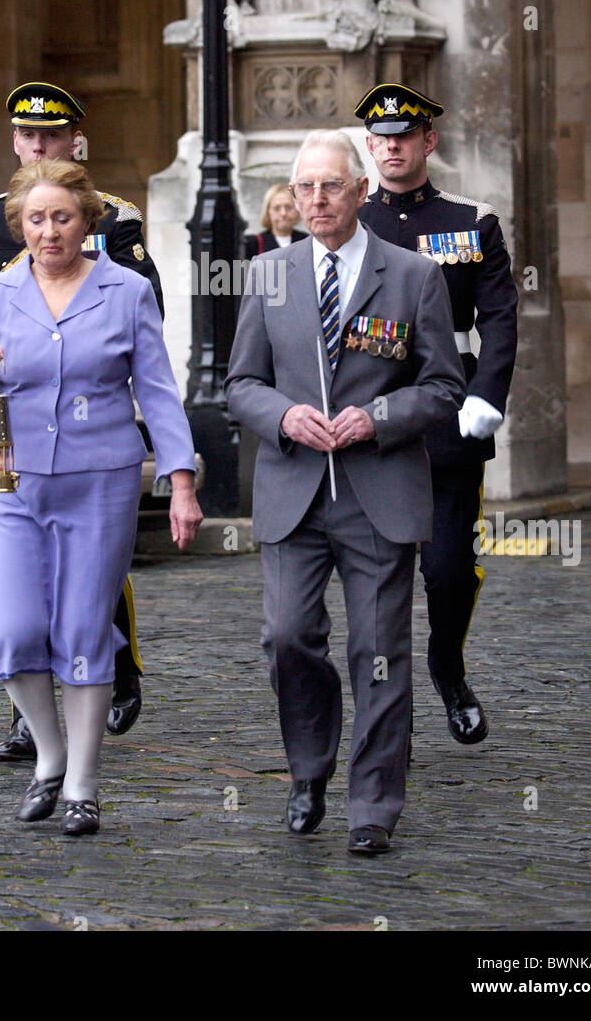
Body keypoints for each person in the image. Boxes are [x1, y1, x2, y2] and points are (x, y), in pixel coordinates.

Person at [0, 159, 202, 834]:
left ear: (86, 222)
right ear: (20, 227)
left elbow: (156, 389)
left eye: (61, 217)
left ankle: (84, 784)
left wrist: (179, 482)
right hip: (13, 481)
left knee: (85, 629)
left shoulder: (125, 291)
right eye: (35, 219)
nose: (48, 231)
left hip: (101, 482)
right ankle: (49, 759)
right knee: (18, 630)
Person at [225, 131, 464, 854]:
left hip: (378, 493)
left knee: (378, 650)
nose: (317, 199)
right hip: (293, 489)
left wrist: (378, 417)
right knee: (288, 636)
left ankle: (372, 806)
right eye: (304, 188)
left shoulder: (412, 275)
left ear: (360, 191)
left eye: (331, 185)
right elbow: (239, 385)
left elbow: (443, 385)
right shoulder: (269, 273)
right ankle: (308, 772)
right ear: (291, 198)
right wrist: (283, 415)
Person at [0, 82, 159, 759]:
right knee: (18, 587)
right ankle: (28, 722)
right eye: (27, 135)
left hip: (88, 420)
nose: (37, 144)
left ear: (75, 141)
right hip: (12, 427)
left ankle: (112, 669)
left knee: (91, 569)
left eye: (52, 135)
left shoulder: (113, 216)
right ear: (14, 140)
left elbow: (134, 314)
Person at [356, 83, 519, 745]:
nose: (393, 147)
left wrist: (487, 394)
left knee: (448, 568)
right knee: (377, 577)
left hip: (447, 415)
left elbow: (500, 316)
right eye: (381, 139)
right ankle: (385, 712)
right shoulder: (352, 221)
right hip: (368, 419)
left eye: (404, 136)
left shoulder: (470, 220)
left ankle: (446, 666)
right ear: (369, 147)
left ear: (428, 141)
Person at [243, 184, 308, 259]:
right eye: (276, 208)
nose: (283, 213)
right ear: (268, 212)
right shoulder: (254, 244)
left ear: (297, 210)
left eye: (288, 207)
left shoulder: (307, 242)